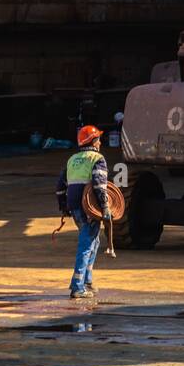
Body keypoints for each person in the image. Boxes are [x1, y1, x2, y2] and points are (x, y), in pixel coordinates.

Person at [55, 124, 110, 299]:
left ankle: (87, 281)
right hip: (89, 207)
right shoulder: (97, 158)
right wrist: (105, 206)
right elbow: (99, 185)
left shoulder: (72, 159)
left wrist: (64, 206)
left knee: (93, 242)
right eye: (98, 139)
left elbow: (60, 186)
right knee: (87, 243)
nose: (100, 142)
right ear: (93, 142)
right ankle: (78, 287)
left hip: (75, 206)